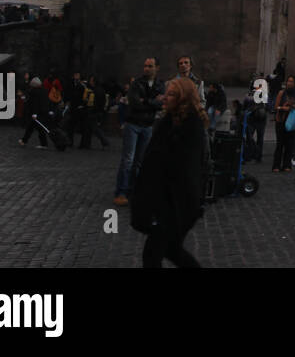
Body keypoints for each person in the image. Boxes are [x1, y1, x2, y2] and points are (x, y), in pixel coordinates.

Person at [131, 78, 208, 268]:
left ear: (184, 99)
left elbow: (184, 169)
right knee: (171, 250)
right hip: (168, 201)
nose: (165, 98)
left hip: (176, 204)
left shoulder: (191, 126)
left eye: (172, 94)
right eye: (167, 93)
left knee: (152, 254)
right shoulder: (168, 122)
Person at [115, 58, 165, 207]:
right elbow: (135, 102)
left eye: (150, 66)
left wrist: (146, 101)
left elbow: (161, 103)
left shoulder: (160, 84)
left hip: (147, 125)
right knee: (128, 160)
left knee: (140, 161)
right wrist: (152, 102)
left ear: (157, 68)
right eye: (145, 66)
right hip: (133, 124)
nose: (146, 69)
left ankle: (134, 190)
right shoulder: (136, 83)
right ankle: (121, 192)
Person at [272, 76, 295, 172]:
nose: (289, 83)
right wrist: (283, 108)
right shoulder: (281, 93)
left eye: (291, 81)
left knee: (289, 144)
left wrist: (294, 106)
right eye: (288, 81)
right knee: (280, 144)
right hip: (281, 120)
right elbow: (275, 107)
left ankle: (287, 165)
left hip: (292, 122)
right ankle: (276, 165)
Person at [79, 75, 110, 149]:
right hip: (98, 111)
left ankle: (104, 141)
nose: (90, 82)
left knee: (94, 128)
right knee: (91, 128)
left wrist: (91, 109)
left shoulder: (95, 90)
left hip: (94, 111)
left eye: (91, 80)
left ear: (94, 81)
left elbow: (94, 102)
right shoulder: (100, 90)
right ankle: (87, 144)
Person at [19, 76, 51, 148]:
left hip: (36, 114)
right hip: (43, 112)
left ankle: (42, 144)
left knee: (34, 128)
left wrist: (34, 113)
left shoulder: (34, 92)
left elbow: (34, 104)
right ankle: (25, 141)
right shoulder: (44, 91)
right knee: (34, 128)